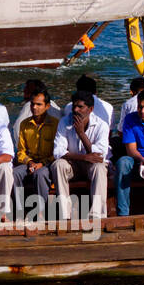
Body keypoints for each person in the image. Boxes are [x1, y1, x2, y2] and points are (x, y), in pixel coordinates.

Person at [51, 91, 110, 220]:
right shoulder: (64, 122)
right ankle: (65, 215)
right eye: (74, 107)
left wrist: (82, 134)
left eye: (80, 107)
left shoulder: (101, 125)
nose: (75, 110)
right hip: (74, 165)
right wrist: (83, 157)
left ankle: (96, 215)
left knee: (99, 167)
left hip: (92, 167)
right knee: (58, 165)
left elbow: (100, 155)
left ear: (91, 109)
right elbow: (58, 152)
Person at [13, 91, 59, 219]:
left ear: (47, 106)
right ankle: (19, 211)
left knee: (41, 173)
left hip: (48, 163)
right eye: (33, 104)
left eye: (39, 104)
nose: (34, 107)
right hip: (30, 162)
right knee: (15, 173)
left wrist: (42, 164)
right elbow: (21, 151)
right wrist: (29, 162)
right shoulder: (25, 124)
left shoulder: (55, 124)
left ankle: (41, 212)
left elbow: (57, 151)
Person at [12, 79, 61, 146]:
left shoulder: (30, 105)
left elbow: (17, 128)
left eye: (27, 90)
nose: (24, 92)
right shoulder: (55, 106)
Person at [114, 78, 144, 158]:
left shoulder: (128, 104)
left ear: (132, 91)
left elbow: (121, 132)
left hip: (133, 144)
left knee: (115, 142)